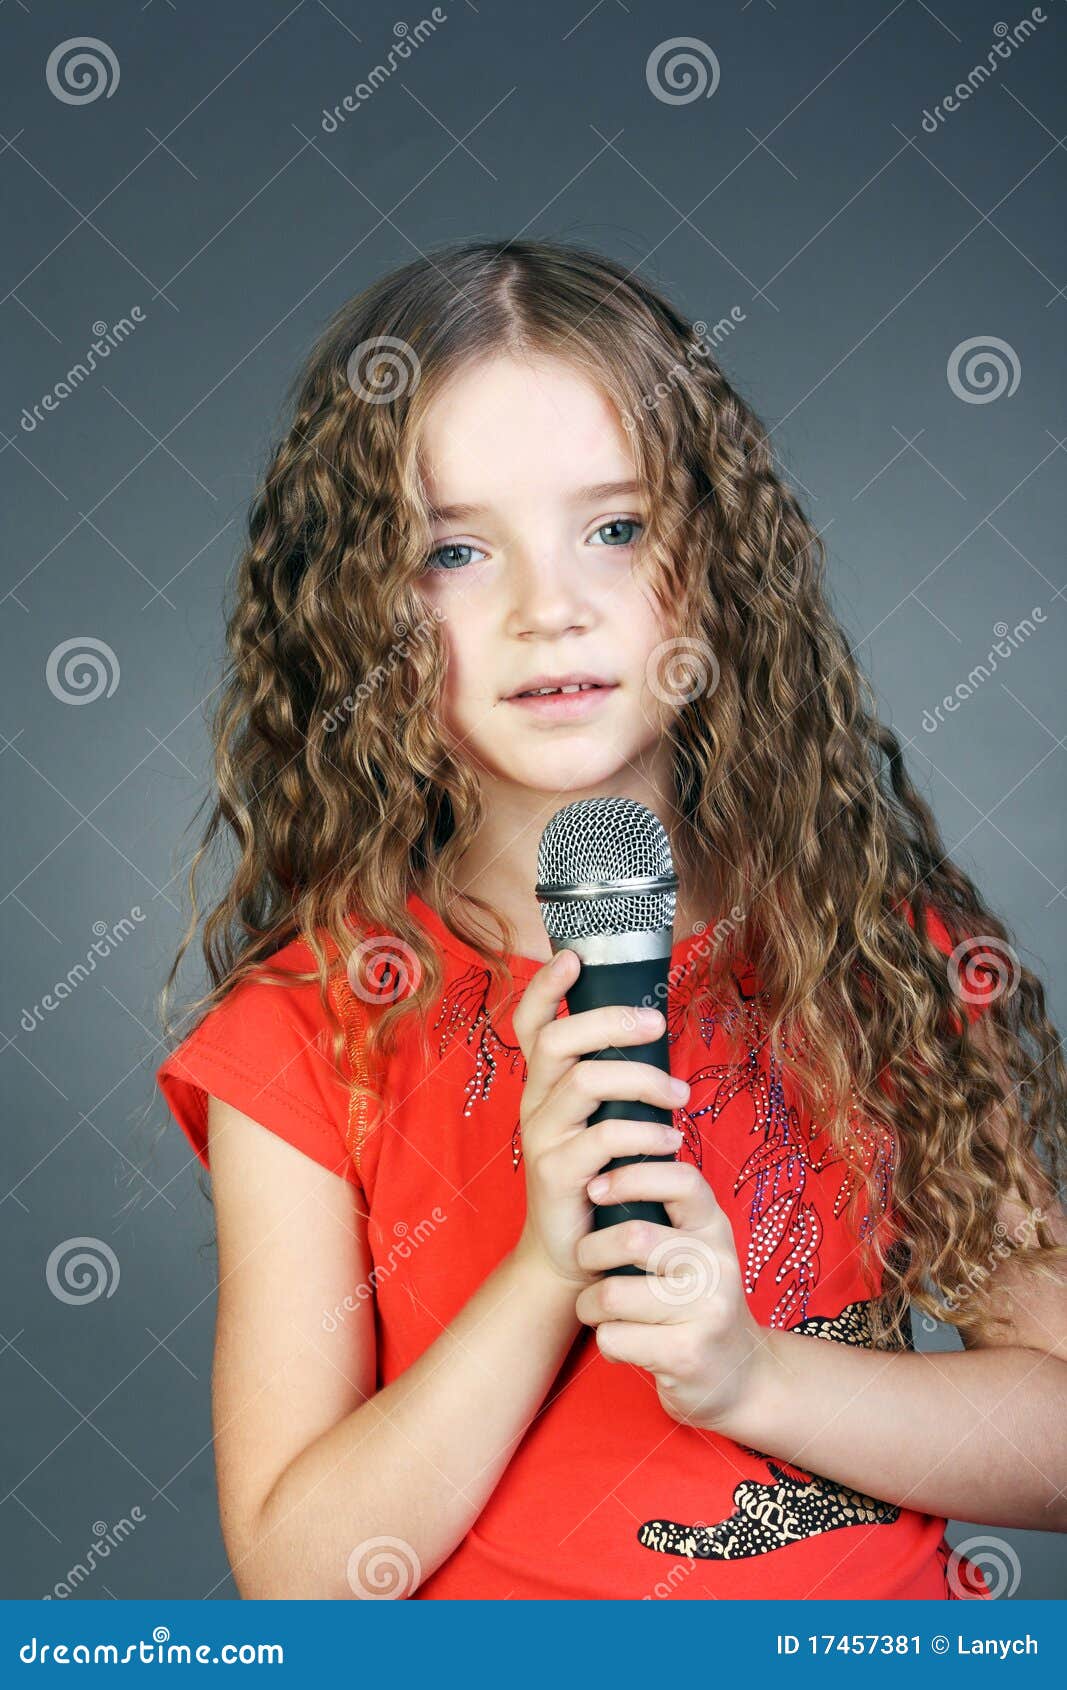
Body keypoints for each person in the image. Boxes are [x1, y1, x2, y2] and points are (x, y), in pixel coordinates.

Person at [155, 238, 1067, 1601]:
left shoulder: (882, 968)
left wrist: (753, 1375)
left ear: (710, 566)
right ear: (368, 612)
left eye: (617, 528)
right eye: (456, 549)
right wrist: (543, 1265)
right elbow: (298, 1572)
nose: (550, 607)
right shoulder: (304, 1033)